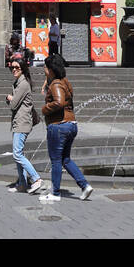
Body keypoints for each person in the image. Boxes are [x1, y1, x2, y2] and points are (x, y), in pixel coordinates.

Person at [40, 53, 92, 201]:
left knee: (56, 160)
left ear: (51, 69)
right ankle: (85, 186)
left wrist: (44, 109)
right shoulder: (65, 82)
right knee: (65, 159)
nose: (43, 69)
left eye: (45, 67)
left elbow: (59, 102)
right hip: (70, 124)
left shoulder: (56, 84)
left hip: (59, 126)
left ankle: (55, 193)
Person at [6, 56, 43, 195]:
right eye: (12, 67)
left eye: (17, 67)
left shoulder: (23, 84)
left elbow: (14, 104)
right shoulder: (18, 83)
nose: (14, 70)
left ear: (22, 69)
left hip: (22, 123)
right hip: (18, 122)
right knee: (18, 153)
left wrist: (10, 98)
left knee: (17, 154)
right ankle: (22, 183)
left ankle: (36, 179)